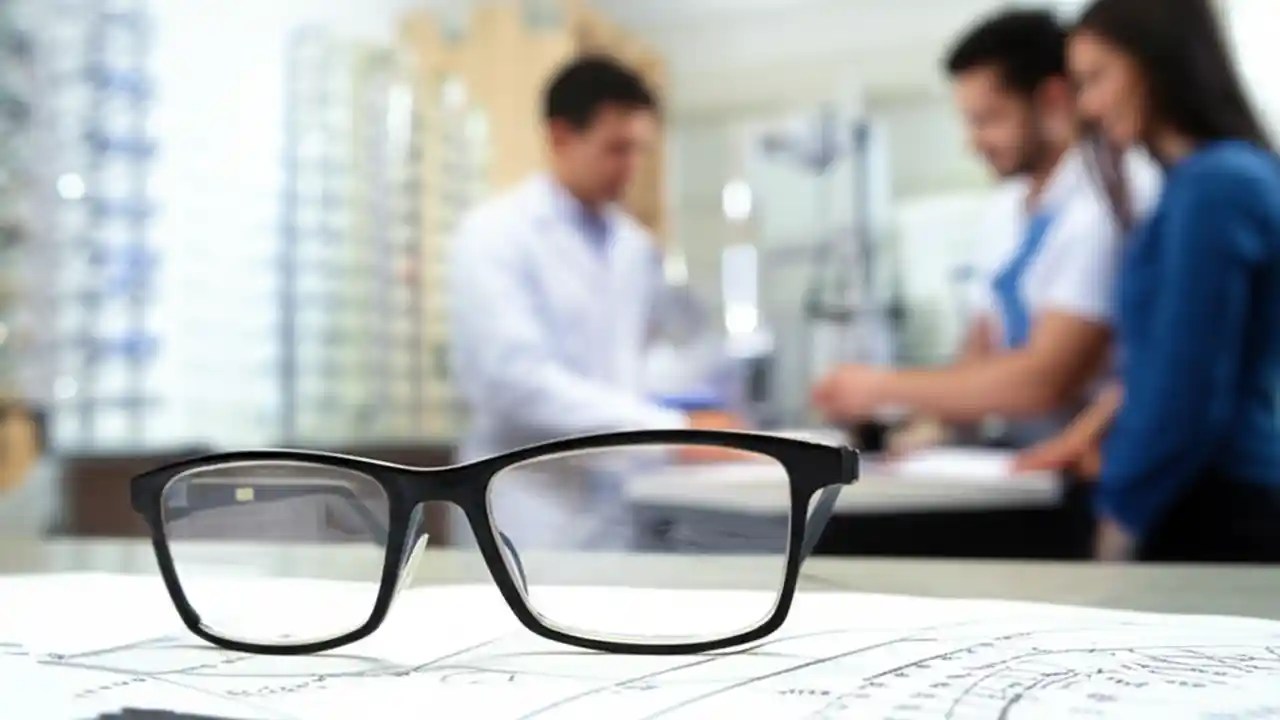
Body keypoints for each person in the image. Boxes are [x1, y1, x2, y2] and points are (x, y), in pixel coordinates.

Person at [813, 10, 1156, 450]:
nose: (973, 141)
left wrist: (881, 387)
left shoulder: (1110, 200)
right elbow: (979, 353)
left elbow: (1045, 380)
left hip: (1089, 466)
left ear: (1052, 100)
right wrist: (923, 432)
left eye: (989, 119)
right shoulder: (1005, 209)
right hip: (1018, 457)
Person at [1020, 0, 1280, 562]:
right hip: (1206, 491)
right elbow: (1168, 360)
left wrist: (1119, 516)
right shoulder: (1202, 183)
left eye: (1096, 79)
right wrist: (1098, 428)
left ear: (1157, 64)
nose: (1087, 106)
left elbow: (1184, 392)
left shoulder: (1216, 186)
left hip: (1215, 505)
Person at [448, 56, 732, 548]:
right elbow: (513, 381)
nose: (631, 168)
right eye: (616, 149)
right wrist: (673, 430)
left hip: (616, 505)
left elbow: (629, 364)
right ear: (561, 137)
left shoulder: (632, 245)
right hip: (525, 510)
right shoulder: (494, 235)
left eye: (639, 151)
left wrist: (692, 409)